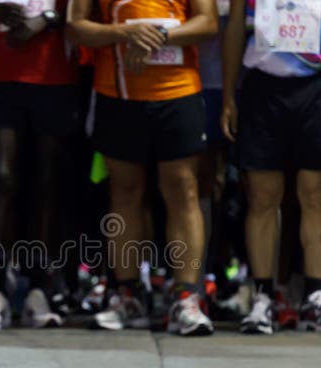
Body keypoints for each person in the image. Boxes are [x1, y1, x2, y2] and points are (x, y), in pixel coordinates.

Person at [68, 0, 219, 335]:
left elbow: (207, 23)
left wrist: (156, 36)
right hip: (117, 93)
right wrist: (125, 32)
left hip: (178, 92)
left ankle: (185, 297)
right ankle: (128, 295)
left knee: (183, 189)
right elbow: (76, 27)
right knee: (124, 193)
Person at [222, 0, 321, 333]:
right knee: (262, 197)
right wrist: (229, 95)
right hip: (262, 86)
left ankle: (315, 296)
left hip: (319, 86)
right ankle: (262, 297)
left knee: (317, 195)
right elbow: (232, 28)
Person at [0, 0, 80, 331]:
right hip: (5, 74)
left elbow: (82, 15)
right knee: (3, 179)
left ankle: (38, 285)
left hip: (54, 75)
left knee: (45, 182)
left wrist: (46, 19)